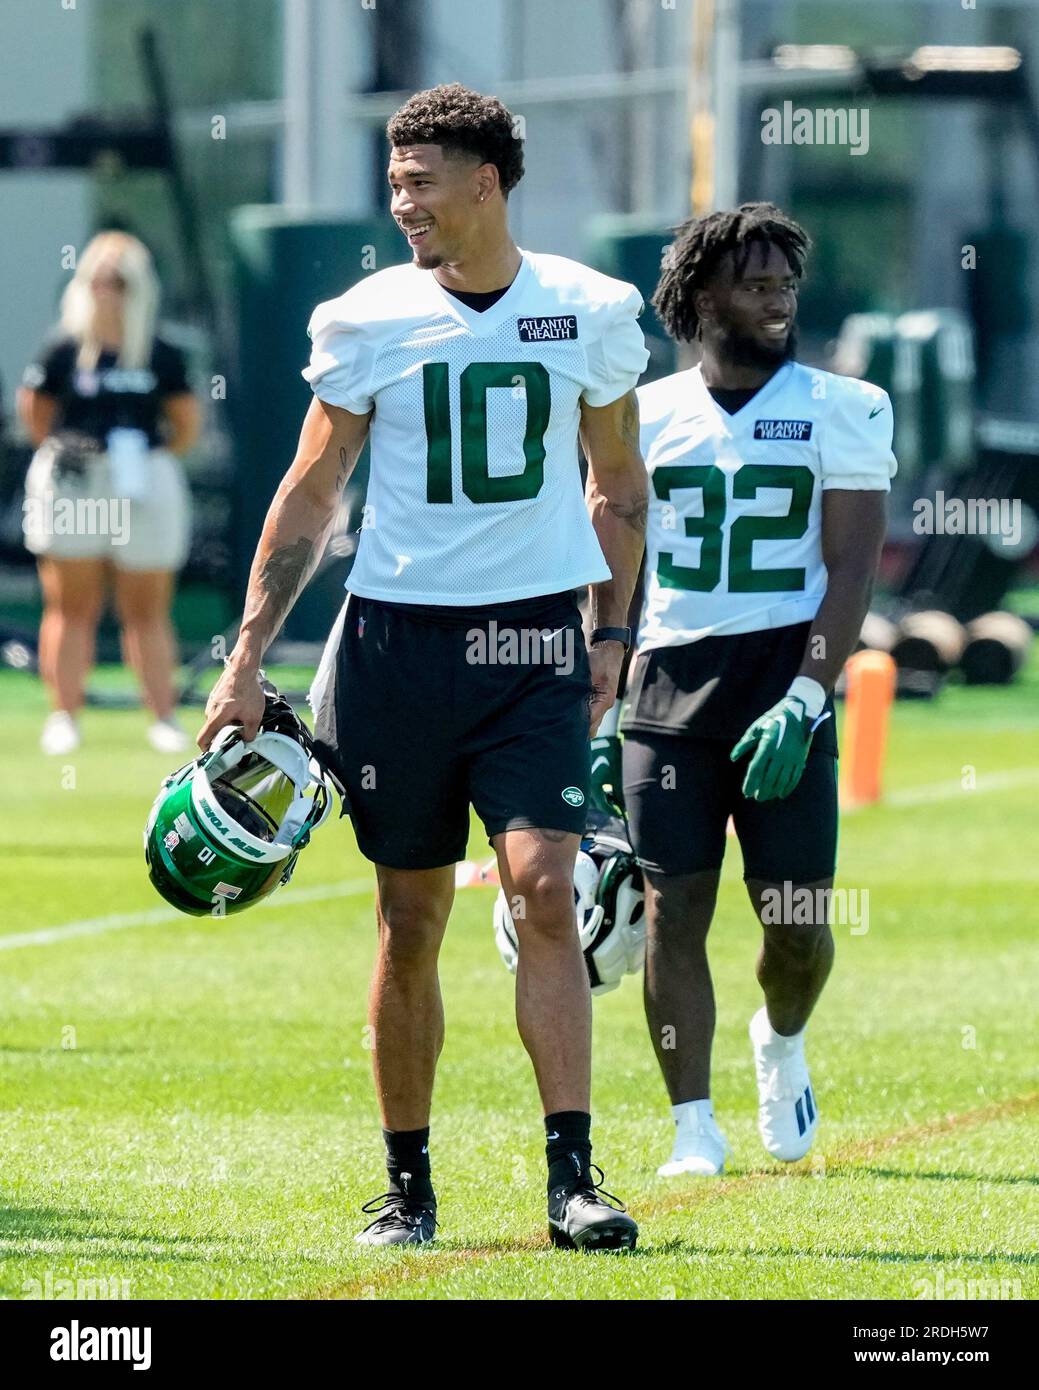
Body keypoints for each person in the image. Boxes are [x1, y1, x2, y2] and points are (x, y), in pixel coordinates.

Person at [198, 84, 649, 1250]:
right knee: (409, 916)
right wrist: (246, 655)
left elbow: (618, 486)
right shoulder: (365, 317)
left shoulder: (588, 309)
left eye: (420, 181)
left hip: (534, 639)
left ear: (487, 183)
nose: (401, 202)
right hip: (396, 641)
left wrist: (610, 635)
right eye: (393, 181)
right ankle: (409, 1185)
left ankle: (573, 1180)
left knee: (545, 885)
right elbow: (309, 490)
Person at [621, 203, 895, 1176]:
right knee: (672, 910)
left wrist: (808, 693)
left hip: (784, 680)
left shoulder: (845, 405)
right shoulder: (643, 414)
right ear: (699, 296)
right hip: (667, 685)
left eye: (786, 282)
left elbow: (851, 567)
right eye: (755, 282)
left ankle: (779, 1041)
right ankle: (691, 1122)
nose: (778, 299)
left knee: (796, 925)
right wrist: (595, 692)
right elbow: (612, 565)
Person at [18, 230, 200, 756]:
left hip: (141, 474)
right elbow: (36, 413)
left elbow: (185, 422)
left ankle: (162, 716)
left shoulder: (160, 351)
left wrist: (149, 458)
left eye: (118, 281)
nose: (107, 291)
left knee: (146, 606)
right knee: (71, 604)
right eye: (98, 279)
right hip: (78, 477)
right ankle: (64, 714)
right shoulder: (63, 348)